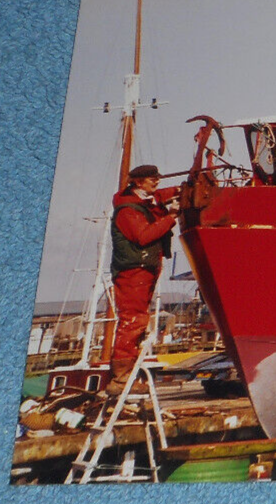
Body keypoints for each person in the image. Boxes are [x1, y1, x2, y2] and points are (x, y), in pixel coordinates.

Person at [106, 164, 180, 395]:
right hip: (133, 273)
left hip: (142, 270)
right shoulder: (129, 211)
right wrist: (171, 217)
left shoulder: (143, 200)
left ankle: (126, 377)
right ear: (138, 182)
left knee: (136, 320)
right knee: (133, 321)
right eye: (151, 179)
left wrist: (181, 189)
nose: (156, 182)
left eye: (157, 178)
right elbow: (144, 236)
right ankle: (120, 380)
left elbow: (159, 196)